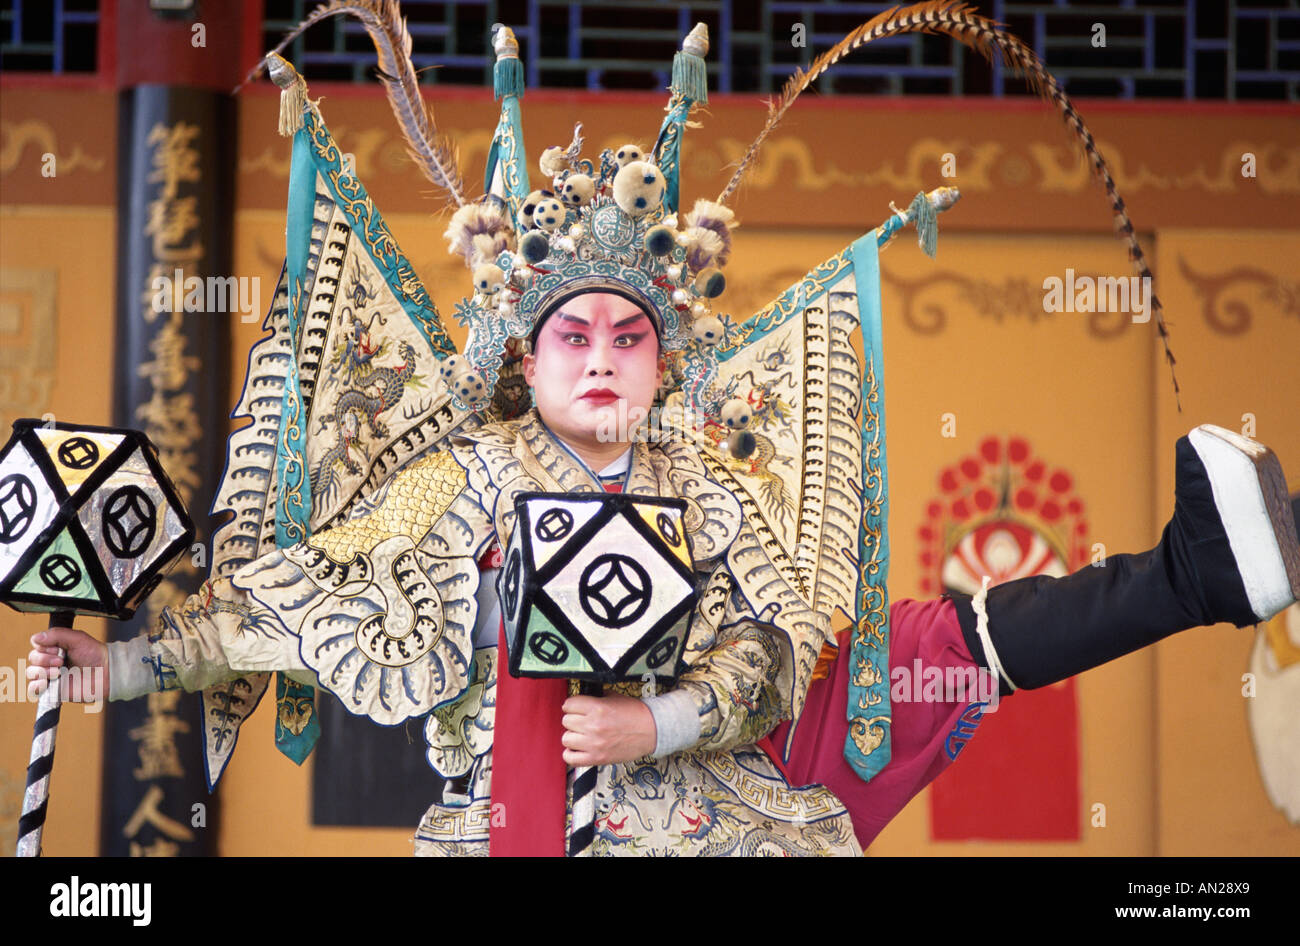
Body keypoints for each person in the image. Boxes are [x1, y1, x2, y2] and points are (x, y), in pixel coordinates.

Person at [26, 12, 1300, 857]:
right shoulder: (460, 480)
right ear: (524, 360)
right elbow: (289, 615)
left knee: (909, 649)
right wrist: (117, 672)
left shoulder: (705, 481)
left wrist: (661, 721)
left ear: (662, 356)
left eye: (626, 337)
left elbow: (767, 654)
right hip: (518, 825)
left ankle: (1195, 576)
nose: (598, 359)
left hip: (709, 815)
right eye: (571, 337)